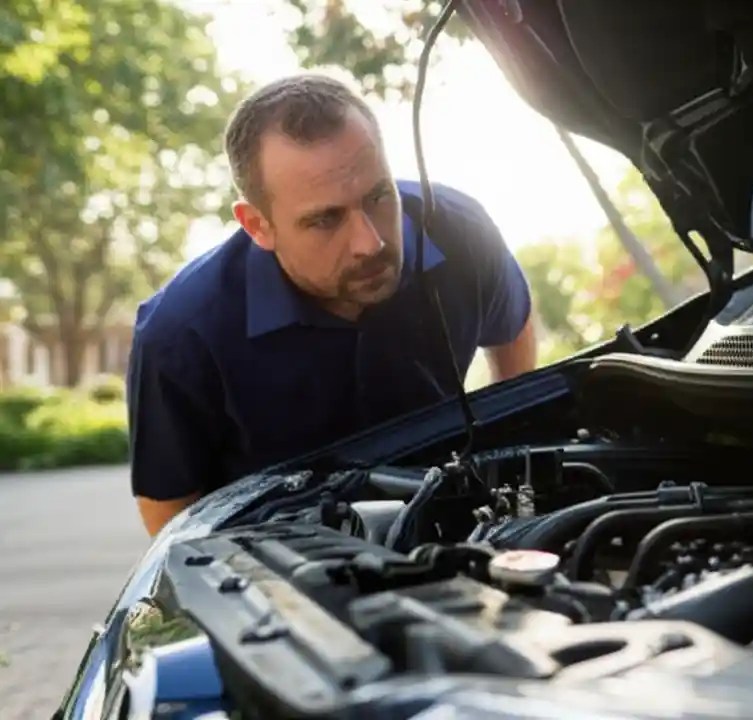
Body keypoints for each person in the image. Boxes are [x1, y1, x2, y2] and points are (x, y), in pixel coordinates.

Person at [126, 74, 537, 536]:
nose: (371, 241)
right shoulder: (181, 333)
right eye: (325, 219)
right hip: (291, 565)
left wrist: (508, 450)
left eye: (378, 196)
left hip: (456, 520)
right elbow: (170, 513)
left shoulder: (459, 230)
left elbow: (512, 324)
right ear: (258, 225)